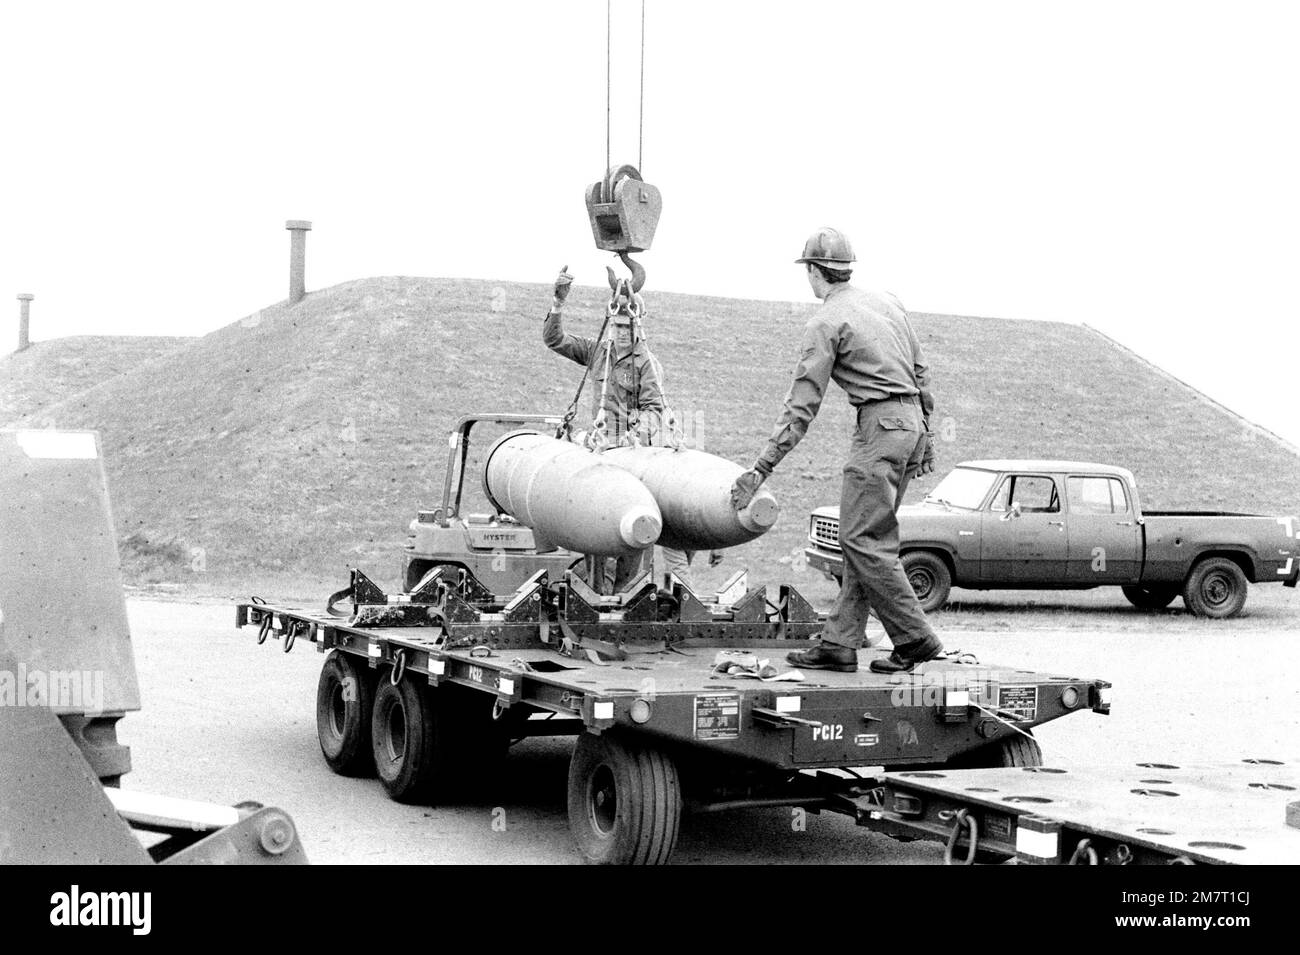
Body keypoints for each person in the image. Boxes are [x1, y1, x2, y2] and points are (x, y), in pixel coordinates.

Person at [730, 227, 943, 673]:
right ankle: (840, 643)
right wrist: (926, 436)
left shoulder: (825, 322)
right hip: (909, 426)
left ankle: (915, 637)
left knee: (861, 539)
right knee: (868, 539)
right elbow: (921, 373)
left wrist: (761, 468)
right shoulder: (887, 301)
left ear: (812, 271)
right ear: (847, 268)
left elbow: (800, 409)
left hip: (879, 428)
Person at [544, 265, 664, 593]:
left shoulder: (645, 364)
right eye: (617, 325)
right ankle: (596, 595)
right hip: (599, 452)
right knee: (594, 529)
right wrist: (559, 301)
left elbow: (655, 409)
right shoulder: (598, 352)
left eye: (627, 326)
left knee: (629, 537)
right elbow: (554, 340)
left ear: (637, 326)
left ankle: (623, 597)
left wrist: (635, 435)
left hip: (630, 458)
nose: (621, 332)